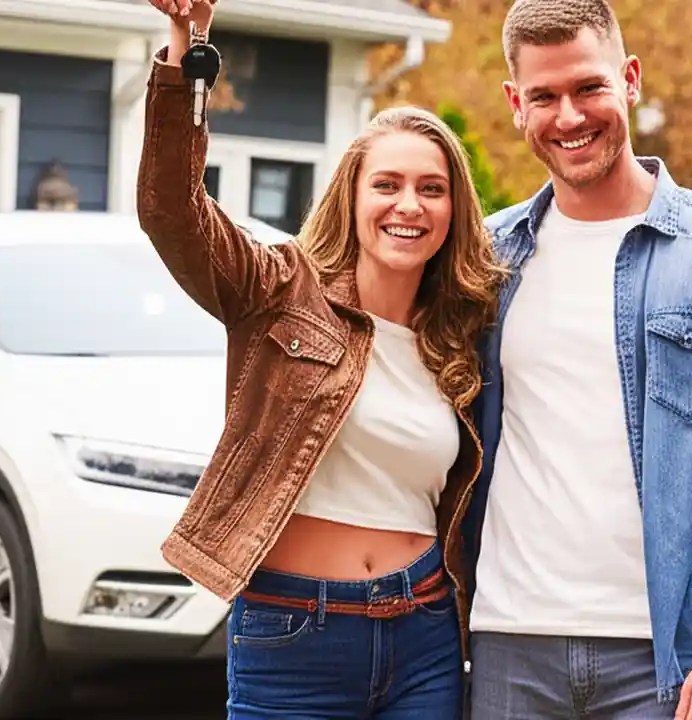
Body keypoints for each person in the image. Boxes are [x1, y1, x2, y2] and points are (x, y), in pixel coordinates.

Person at [138, 1, 503, 717]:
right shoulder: (276, 288)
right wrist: (187, 48)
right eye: (388, 185)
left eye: (432, 189)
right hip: (291, 635)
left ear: (454, 210)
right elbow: (171, 210)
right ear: (353, 196)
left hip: (424, 634)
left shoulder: (461, 339)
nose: (410, 205)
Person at [461, 0, 692, 718]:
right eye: (544, 96)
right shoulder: (484, 259)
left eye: (589, 87)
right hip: (506, 646)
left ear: (629, 79)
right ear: (514, 104)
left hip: (663, 663)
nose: (569, 116)